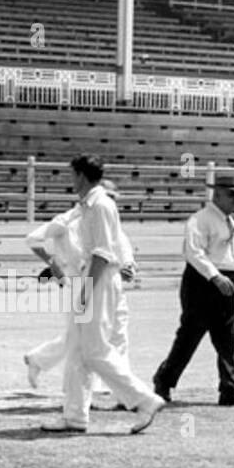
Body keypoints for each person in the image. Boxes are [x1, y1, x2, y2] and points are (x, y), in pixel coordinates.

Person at [42, 155, 164, 434]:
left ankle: (144, 400)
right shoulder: (89, 206)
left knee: (94, 350)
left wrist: (85, 290)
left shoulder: (100, 206)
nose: (71, 181)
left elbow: (102, 254)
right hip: (93, 277)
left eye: (73, 175)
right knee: (77, 348)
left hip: (98, 279)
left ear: (82, 176)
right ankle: (74, 416)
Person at [152, 172, 234, 407]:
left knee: (227, 339)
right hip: (204, 284)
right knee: (190, 336)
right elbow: (194, 252)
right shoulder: (201, 220)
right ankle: (164, 380)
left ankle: (229, 388)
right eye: (232, 196)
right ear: (217, 194)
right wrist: (215, 277)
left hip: (225, 285)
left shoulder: (229, 222)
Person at [23, 179, 135, 391]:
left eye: (113, 198)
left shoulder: (109, 219)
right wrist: (54, 264)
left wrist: (129, 266)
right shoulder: (69, 219)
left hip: (110, 281)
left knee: (118, 331)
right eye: (107, 196)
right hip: (78, 282)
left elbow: (123, 248)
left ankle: (117, 387)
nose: (110, 202)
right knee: (79, 337)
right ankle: (44, 364)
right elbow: (33, 239)